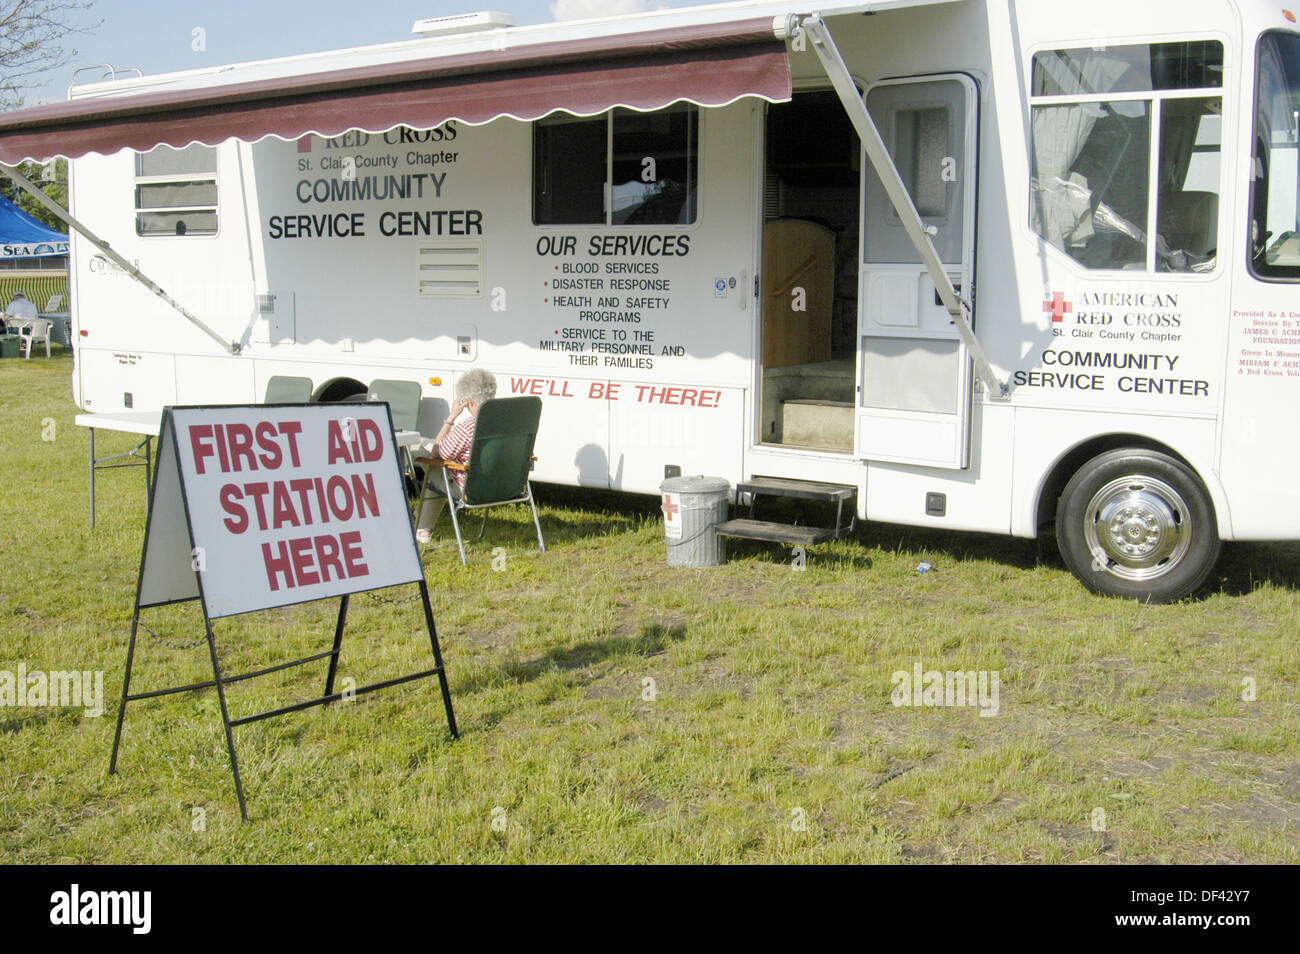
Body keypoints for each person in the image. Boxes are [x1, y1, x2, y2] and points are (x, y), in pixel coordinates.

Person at [414, 368, 497, 544]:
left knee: (431, 464)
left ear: (468, 401)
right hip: (501, 487)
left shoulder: (468, 427)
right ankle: (421, 525)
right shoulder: (505, 422)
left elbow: (438, 452)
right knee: (435, 465)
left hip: (470, 490)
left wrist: (452, 416)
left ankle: (421, 529)